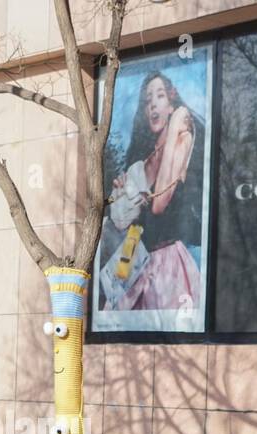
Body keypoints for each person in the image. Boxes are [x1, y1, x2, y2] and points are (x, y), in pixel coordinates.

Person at [101, 70, 207, 312]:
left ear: (172, 103)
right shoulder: (141, 163)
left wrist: (174, 131)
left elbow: (159, 204)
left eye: (159, 96)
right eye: (148, 100)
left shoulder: (182, 139)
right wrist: (121, 196)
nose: (153, 105)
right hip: (135, 260)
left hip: (168, 266)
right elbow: (119, 221)